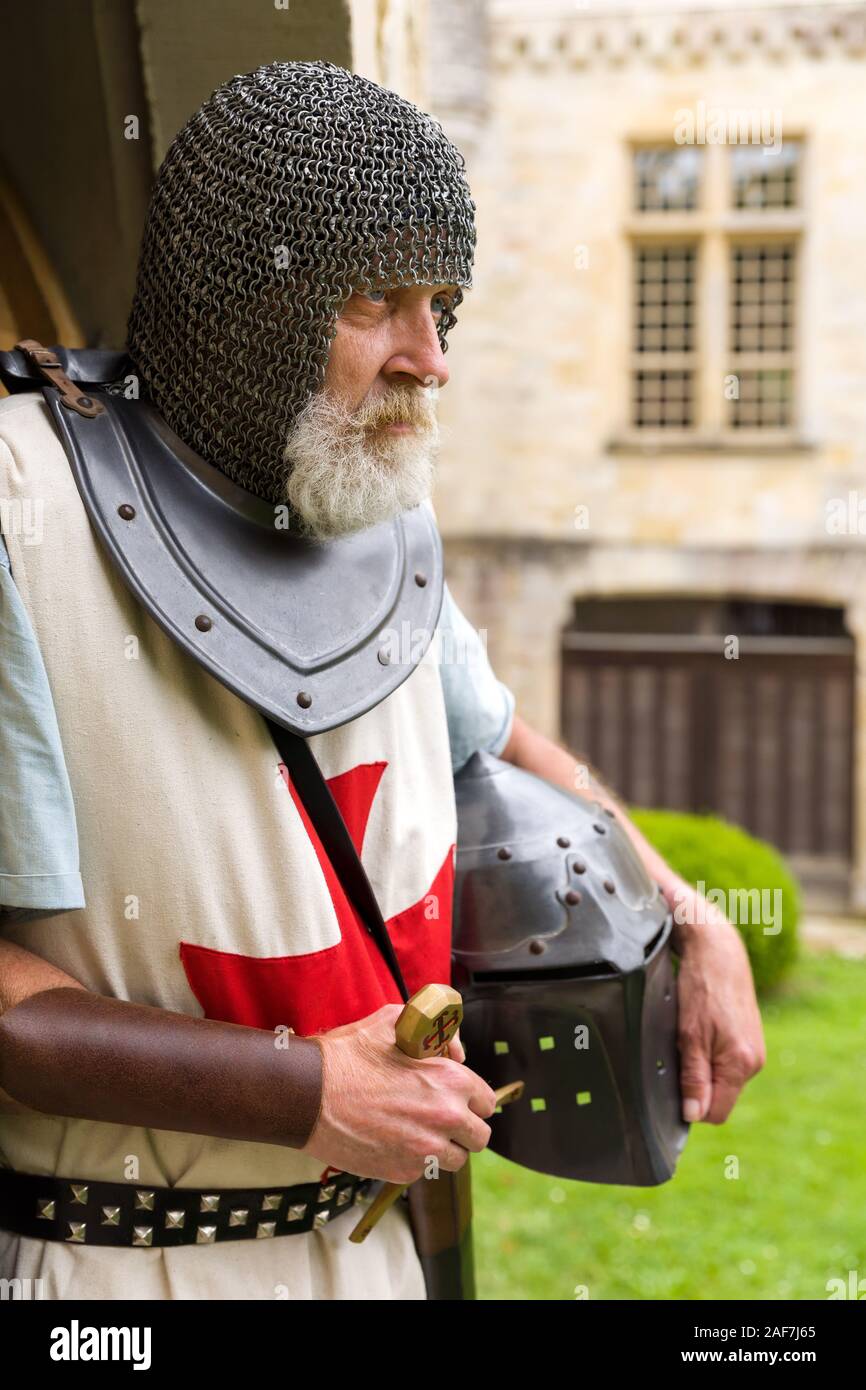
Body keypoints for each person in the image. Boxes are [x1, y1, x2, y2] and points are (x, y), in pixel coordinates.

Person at [0, 61, 764, 1302]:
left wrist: (690, 914)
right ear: (246, 296)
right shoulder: (19, 514)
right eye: (374, 299)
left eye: (438, 303)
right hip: (120, 1271)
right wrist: (308, 1090)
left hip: (379, 1261)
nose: (430, 357)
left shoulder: (368, 509)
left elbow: (494, 742)